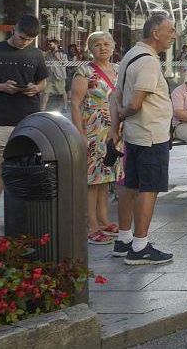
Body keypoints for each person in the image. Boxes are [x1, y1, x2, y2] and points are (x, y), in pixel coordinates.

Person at [109, 12, 176, 265]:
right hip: (151, 135)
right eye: (170, 30)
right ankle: (140, 246)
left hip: (136, 135)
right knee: (149, 188)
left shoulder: (130, 55)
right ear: (155, 33)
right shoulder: (149, 61)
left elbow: (115, 96)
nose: (174, 35)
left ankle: (124, 239)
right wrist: (125, 115)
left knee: (130, 185)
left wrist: (117, 127)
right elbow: (134, 103)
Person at [0, 15, 48, 229]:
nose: (24, 42)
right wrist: (1, 86)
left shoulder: (36, 54)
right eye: (22, 37)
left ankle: (24, 215)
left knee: (27, 167)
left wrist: (36, 88)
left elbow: (43, 82)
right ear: (14, 29)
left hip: (29, 118)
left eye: (29, 40)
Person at [70, 31, 120, 245]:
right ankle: (91, 225)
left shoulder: (118, 70)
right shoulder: (84, 70)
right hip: (92, 127)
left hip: (113, 129)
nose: (103, 48)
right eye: (98, 44)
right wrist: (79, 133)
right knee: (92, 179)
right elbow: (75, 104)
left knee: (106, 177)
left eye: (107, 44)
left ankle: (103, 219)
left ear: (113, 46)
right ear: (90, 48)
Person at [41, 38, 68, 112]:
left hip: (59, 75)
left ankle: (65, 107)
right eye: (48, 44)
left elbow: (64, 64)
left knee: (62, 91)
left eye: (51, 44)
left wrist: (57, 57)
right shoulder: (48, 54)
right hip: (50, 76)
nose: (49, 46)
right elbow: (43, 60)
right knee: (46, 91)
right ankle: (43, 108)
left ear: (56, 44)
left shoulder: (62, 54)